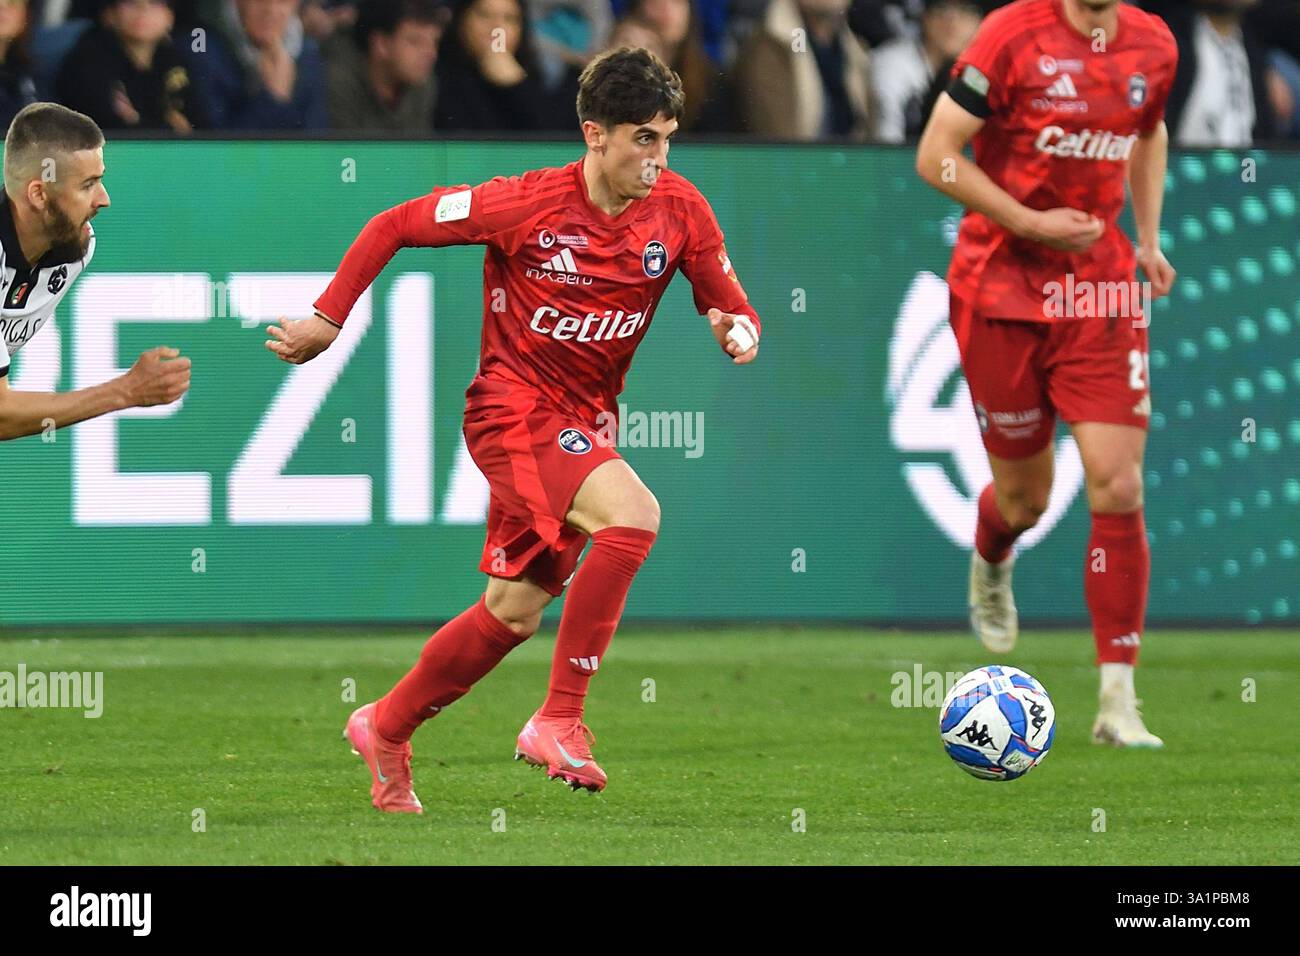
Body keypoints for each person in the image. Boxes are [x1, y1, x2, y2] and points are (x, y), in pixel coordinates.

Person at [266, 47, 762, 811]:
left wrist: (737, 329)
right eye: (642, 139)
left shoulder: (682, 212)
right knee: (633, 518)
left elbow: (729, 300)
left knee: (513, 613)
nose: (657, 159)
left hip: (585, 426)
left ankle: (386, 728)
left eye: (666, 138)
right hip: (511, 410)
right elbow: (394, 224)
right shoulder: (526, 203)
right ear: (594, 135)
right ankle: (560, 718)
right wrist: (329, 317)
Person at [916, 0, 1178, 747]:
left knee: (1117, 481)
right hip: (999, 287)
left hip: (1098, 290)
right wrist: (1029, 222)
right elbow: (935, 152)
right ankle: (993, 555)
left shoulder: (1156, 43)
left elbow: (1148, 130)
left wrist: (1149, 238)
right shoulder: (1010, 35)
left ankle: (1118, 702)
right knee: (1026, 501)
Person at [0, 102, 190, 441]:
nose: (104, 199)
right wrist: (125, 391)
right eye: (88, 184)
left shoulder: (73, 251)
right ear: (39, 194)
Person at [56, 0, 209, 133]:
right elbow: (107, 127)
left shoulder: (175, 60)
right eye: (130, 2)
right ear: (109, 13)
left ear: (170, 16)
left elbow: (198, 127)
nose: (143, 10)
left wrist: (137, 120)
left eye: (155, 2)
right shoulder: (89, 58)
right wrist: (168, 127)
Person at [324, 0, 441, 132]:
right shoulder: (339, 82)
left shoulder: (424, 84)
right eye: (415, 42)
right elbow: (346, 151)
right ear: (381, 44)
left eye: (434, 42)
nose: (431, 53)